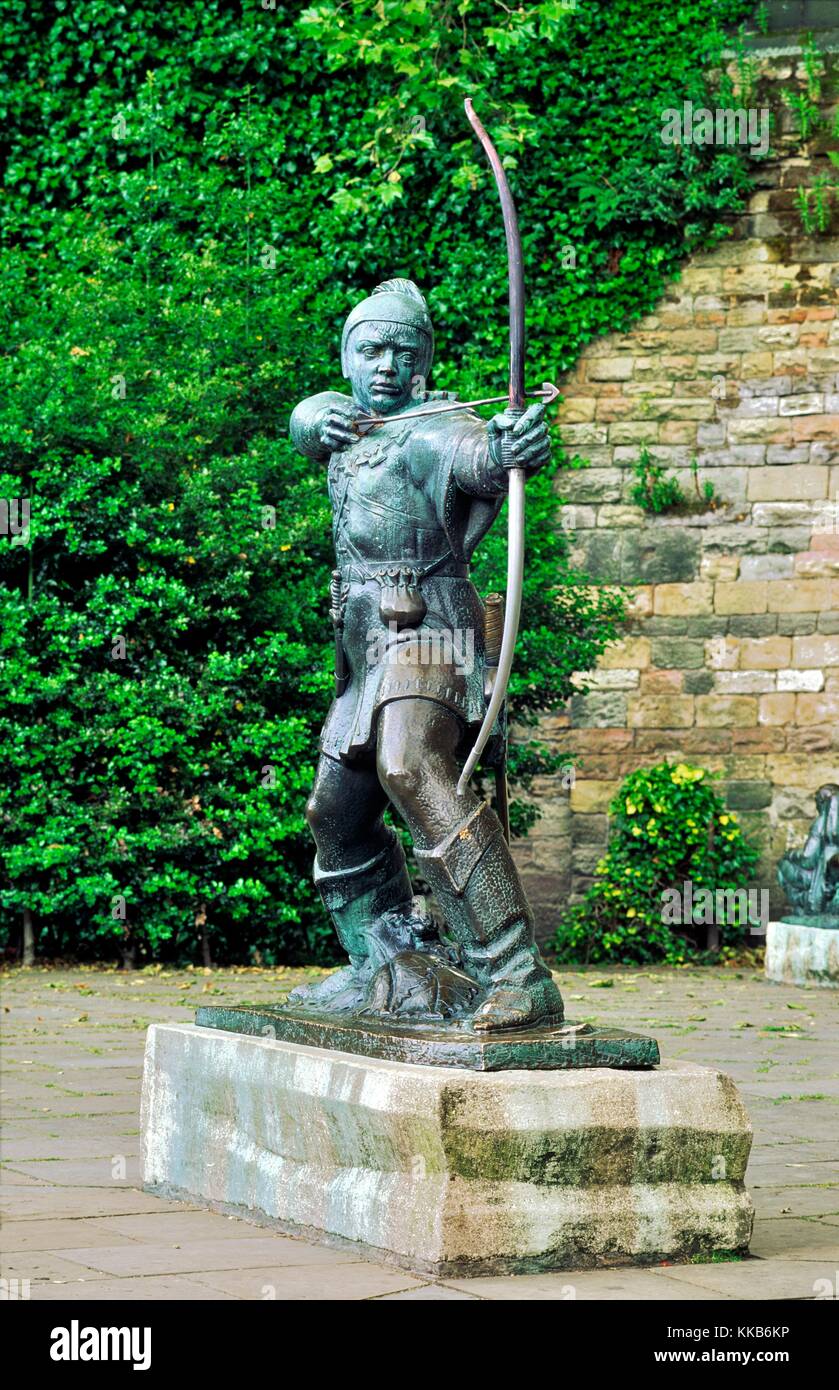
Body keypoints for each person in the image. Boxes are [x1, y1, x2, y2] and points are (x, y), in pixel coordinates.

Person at [288, 279, 563, 1030]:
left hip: (431, 627)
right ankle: (379, 962)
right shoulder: (349, 430)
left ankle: (515, 973)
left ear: (423, 363)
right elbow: (305, 424)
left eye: (401, 352)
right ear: (345, 357)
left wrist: (510, 447)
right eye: (368, 349)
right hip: (364, 643)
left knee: (411, 765)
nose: (384, 365)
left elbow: (482, 454)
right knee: (335, 813)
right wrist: (312, 412)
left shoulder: (441, 428)